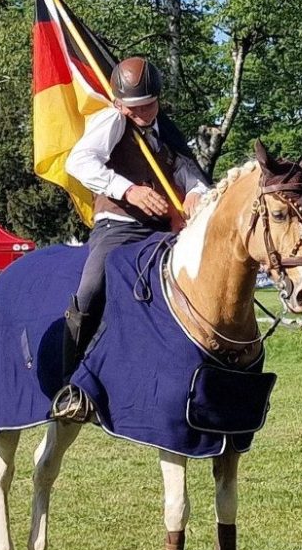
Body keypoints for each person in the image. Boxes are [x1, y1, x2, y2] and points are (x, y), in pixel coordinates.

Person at [51, 56, 210, 421]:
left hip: (165, 231)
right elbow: (79, 162)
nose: (140, 114)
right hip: (119, 228)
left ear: (158, 99)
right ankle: (71, 386)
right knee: (91, 289)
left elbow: (191, 173)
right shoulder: (111, 120)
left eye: (147, 105)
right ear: (119, 102)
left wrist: (196, 192)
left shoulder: (168, 131)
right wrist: (127, 190)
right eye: (132, 107)